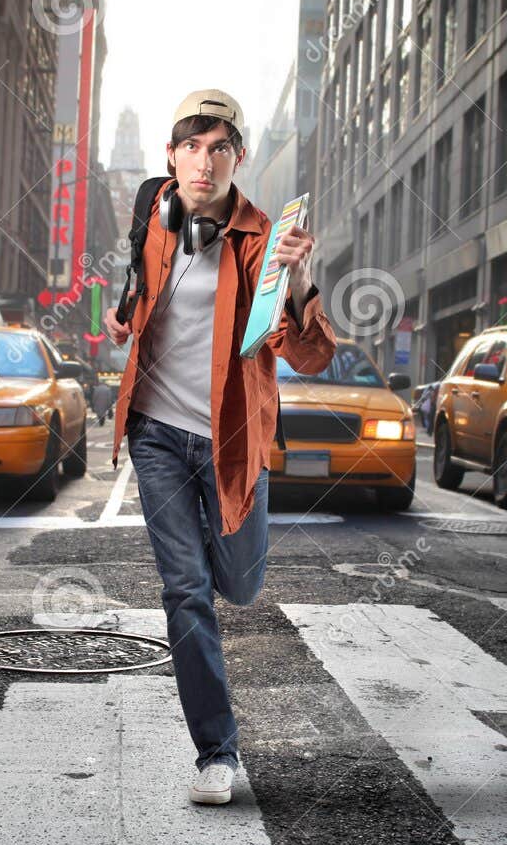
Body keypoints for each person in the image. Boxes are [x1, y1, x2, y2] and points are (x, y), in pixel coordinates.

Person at [104, 89, 335, 806]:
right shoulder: (153, 212)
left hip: (232, 442)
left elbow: (309, 353)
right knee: (184, 589)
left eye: (220, 147)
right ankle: (217, 752)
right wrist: (122, 320)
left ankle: (231, 555)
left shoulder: (264, 242)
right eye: (192, 146)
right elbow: (139, 290)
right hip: (156, 435)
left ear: (238, 157)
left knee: (237, 584)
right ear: (172, 156)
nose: (205, 162)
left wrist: (297, 278)